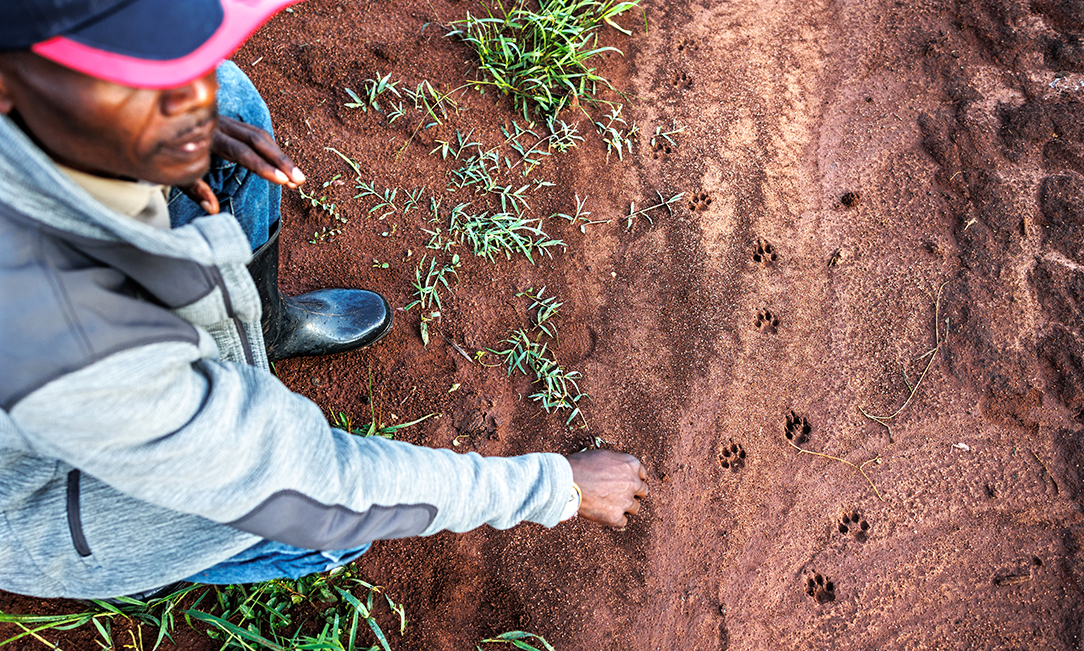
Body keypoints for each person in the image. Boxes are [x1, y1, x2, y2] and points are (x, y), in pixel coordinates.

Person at [0, 0, 648, 599]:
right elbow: (326, 483)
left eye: (176, 56)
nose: (187, 99)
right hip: (40, 494)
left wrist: (162, 139)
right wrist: (557, 487)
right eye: (129, 75)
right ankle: (153, 548)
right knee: (332, 524)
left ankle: (264, 325)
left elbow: (183, 97)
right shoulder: (70, 341)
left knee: (231, 103)